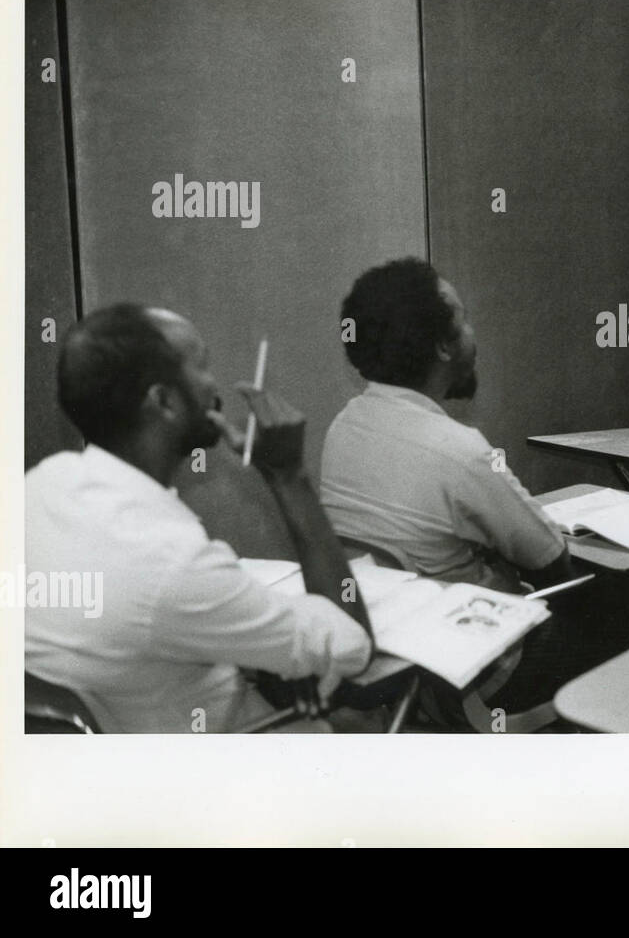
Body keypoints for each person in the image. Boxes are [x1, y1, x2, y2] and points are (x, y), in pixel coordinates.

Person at [25, 304, 373, 733]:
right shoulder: (171, 561)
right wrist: (289, 476)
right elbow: (355, 646)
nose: (213, 385)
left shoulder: (38, 487)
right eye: (202, 366)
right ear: (164, 401)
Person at [320, 258, 616, 711]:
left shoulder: (344, 426)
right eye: (465, 321)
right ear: (443, 347)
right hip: (479, 674)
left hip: (397, 657)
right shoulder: (460, 450)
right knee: (623, 614)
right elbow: (552, 562)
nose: (473, 337)